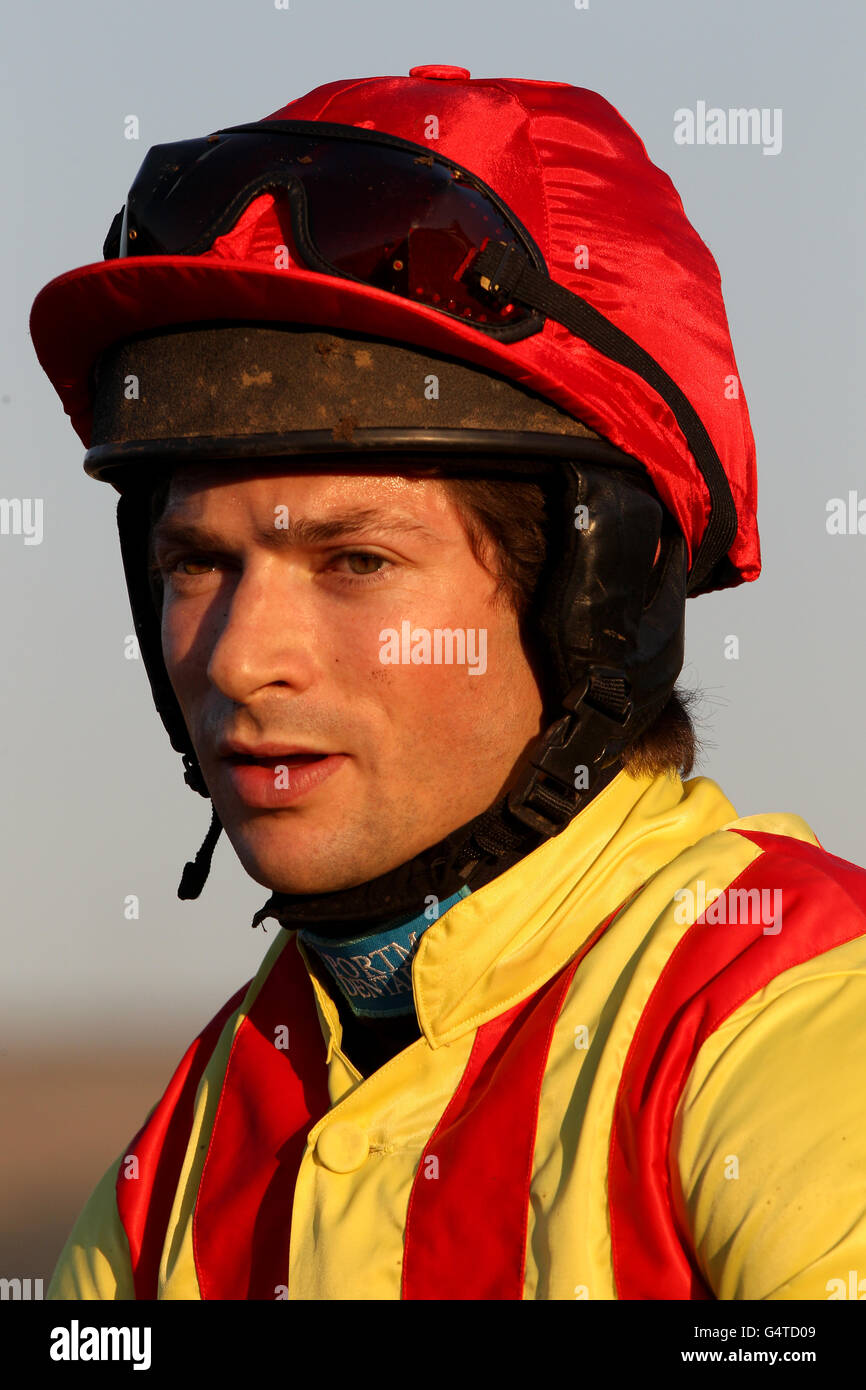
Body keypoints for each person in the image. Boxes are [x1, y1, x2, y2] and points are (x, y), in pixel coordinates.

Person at [30, 65, 866, 1302]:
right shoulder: (178, 1168)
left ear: (595, 600)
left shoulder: (792, 1020)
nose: (241, 656)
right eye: (197, 561)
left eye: (353, 560)